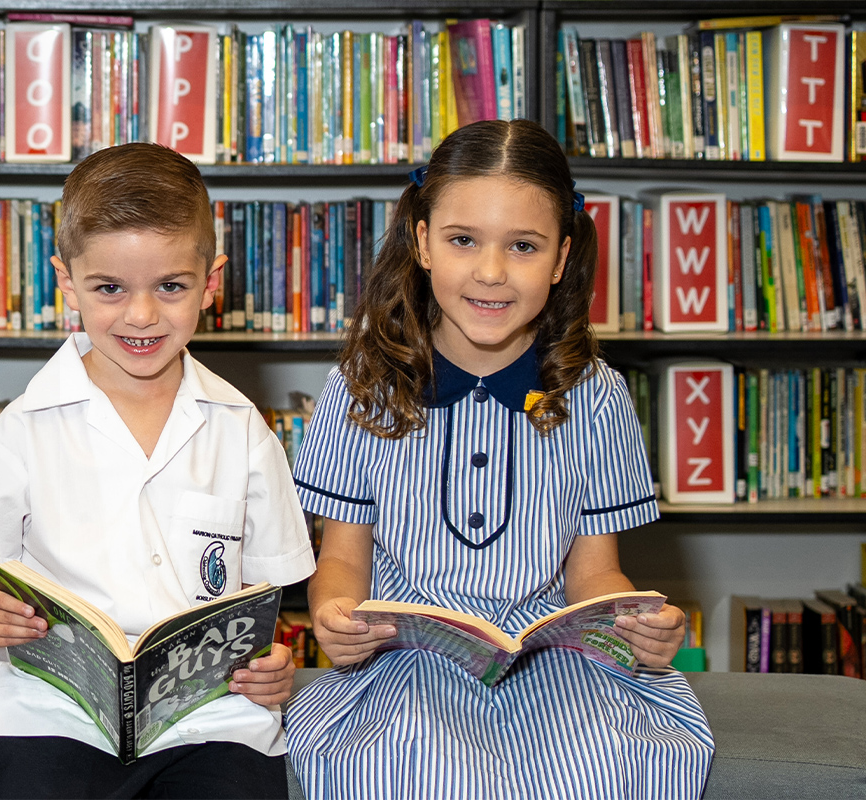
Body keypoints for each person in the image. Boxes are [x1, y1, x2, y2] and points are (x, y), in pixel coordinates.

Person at [285, 119, 714, 798]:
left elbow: (595, 572)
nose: (491, 272)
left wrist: (634, 623)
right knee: (410, 770)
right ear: (424, 242)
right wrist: (335, 614)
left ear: (561, 258)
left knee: (608, 765)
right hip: (407, 660)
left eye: (523, 246)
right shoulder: (361, 385)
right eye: (463, 240)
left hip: (554, 663)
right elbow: (341, 558)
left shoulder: (597, 395)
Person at [0, 142, 316, 800]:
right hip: (52, 715)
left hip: (209, 718)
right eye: (109, 288)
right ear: (66, 281)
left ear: (210, 283)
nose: (140, 315)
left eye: (171, 287)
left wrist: (274, 663)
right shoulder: (20, 429)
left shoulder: (242, 430)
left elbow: (267, 603)